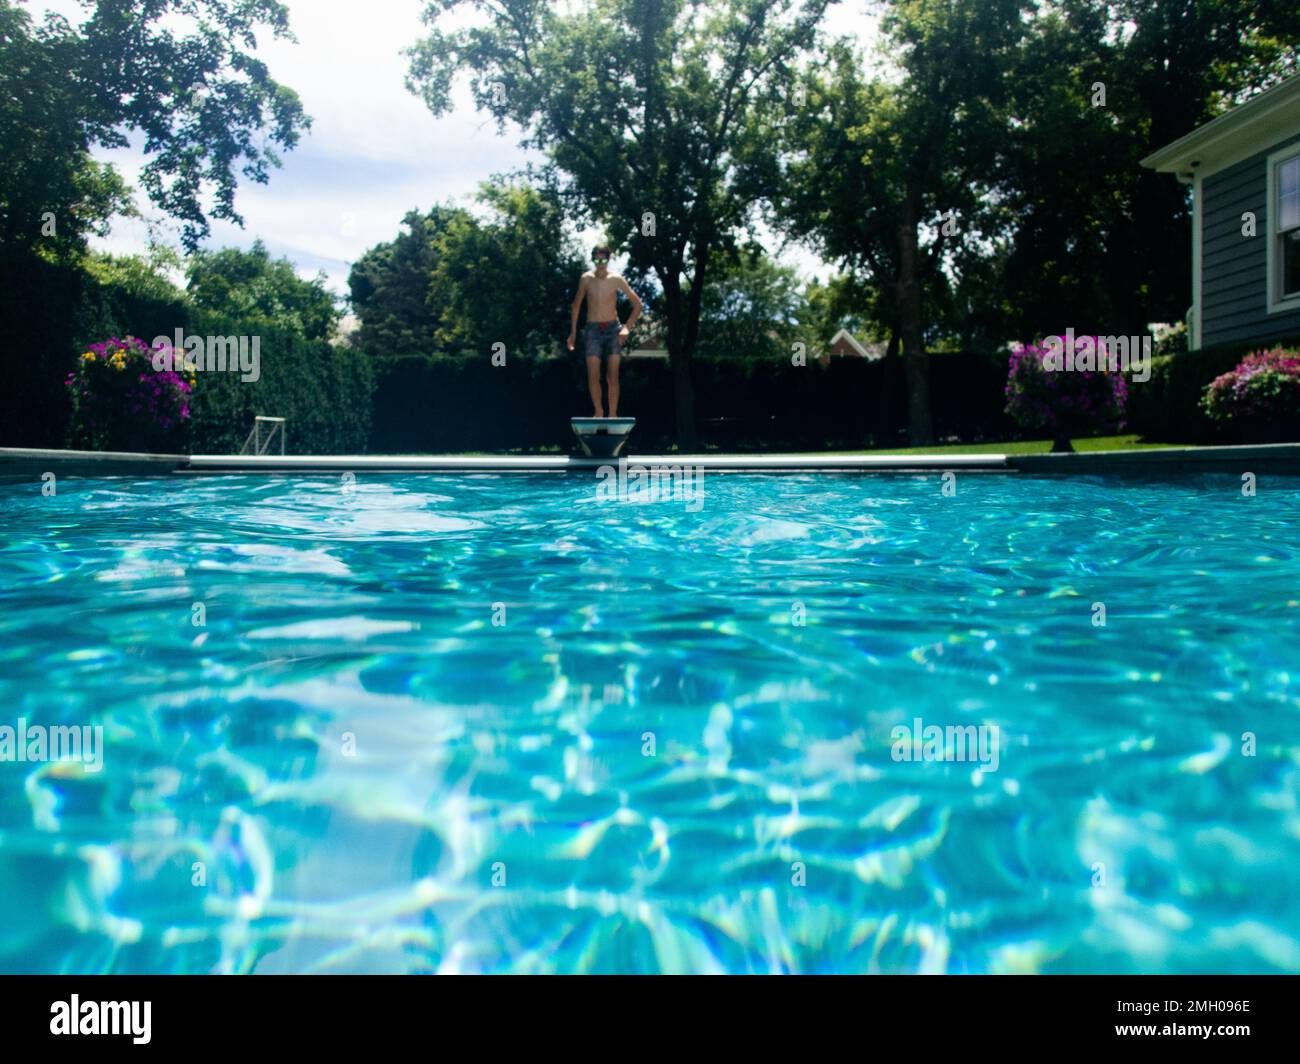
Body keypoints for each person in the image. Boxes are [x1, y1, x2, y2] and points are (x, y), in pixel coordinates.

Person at [566, 243, 642, 417]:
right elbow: (576, 306)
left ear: (609, 259)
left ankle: (613, 413)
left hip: (613, 329)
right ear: (592, 259)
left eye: (603, 259)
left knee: (612, 375)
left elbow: (638, 305)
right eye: (596, 259)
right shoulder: (586, 278)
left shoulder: (616, 279)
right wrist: (573, 333)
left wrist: (626, 329)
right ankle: (599, 410)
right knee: (593, 375)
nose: (600, 263)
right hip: (592, 330)